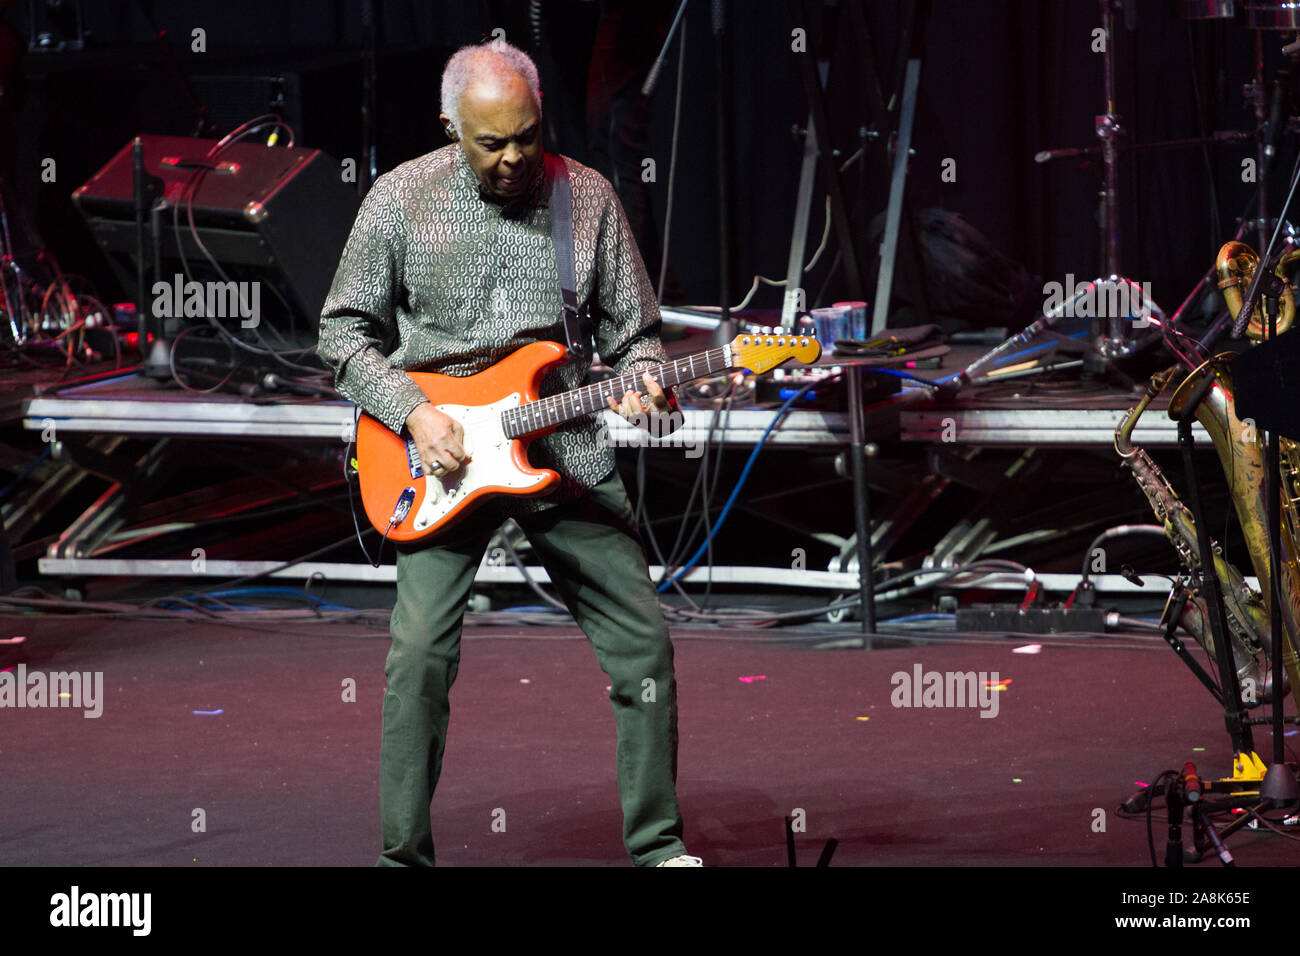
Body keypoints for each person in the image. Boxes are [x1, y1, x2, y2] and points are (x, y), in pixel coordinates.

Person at [317, 38, 701, 868]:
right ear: (450, 126)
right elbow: (341, 335)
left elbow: (637, 342)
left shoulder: (585, 197)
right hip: (439, 457)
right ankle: (401, 860)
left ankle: (659, 847)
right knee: (418, 657)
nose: (514, 157)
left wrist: (647, 389)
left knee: (643, 647)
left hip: (559, 446)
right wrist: (414, 413)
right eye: (492, 142)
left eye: (527, 135)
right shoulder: (398, 199)